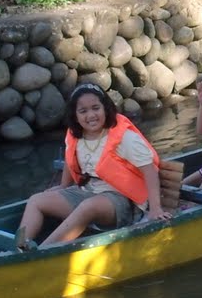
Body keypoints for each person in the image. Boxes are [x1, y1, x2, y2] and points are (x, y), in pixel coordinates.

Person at [15, 84, 169, 250]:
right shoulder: (76, 135)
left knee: (88, 207)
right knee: (36, 200)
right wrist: (64, 186)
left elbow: (150, 170)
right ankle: (18, 249)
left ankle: (43, 252)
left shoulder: (124, 138)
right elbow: (70, 158)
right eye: (83, 111)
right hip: (88, 192)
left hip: (123, 201)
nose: (91, 116)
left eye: (96, 108)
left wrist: (155, 209)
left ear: (105, 108)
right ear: (75, 115)